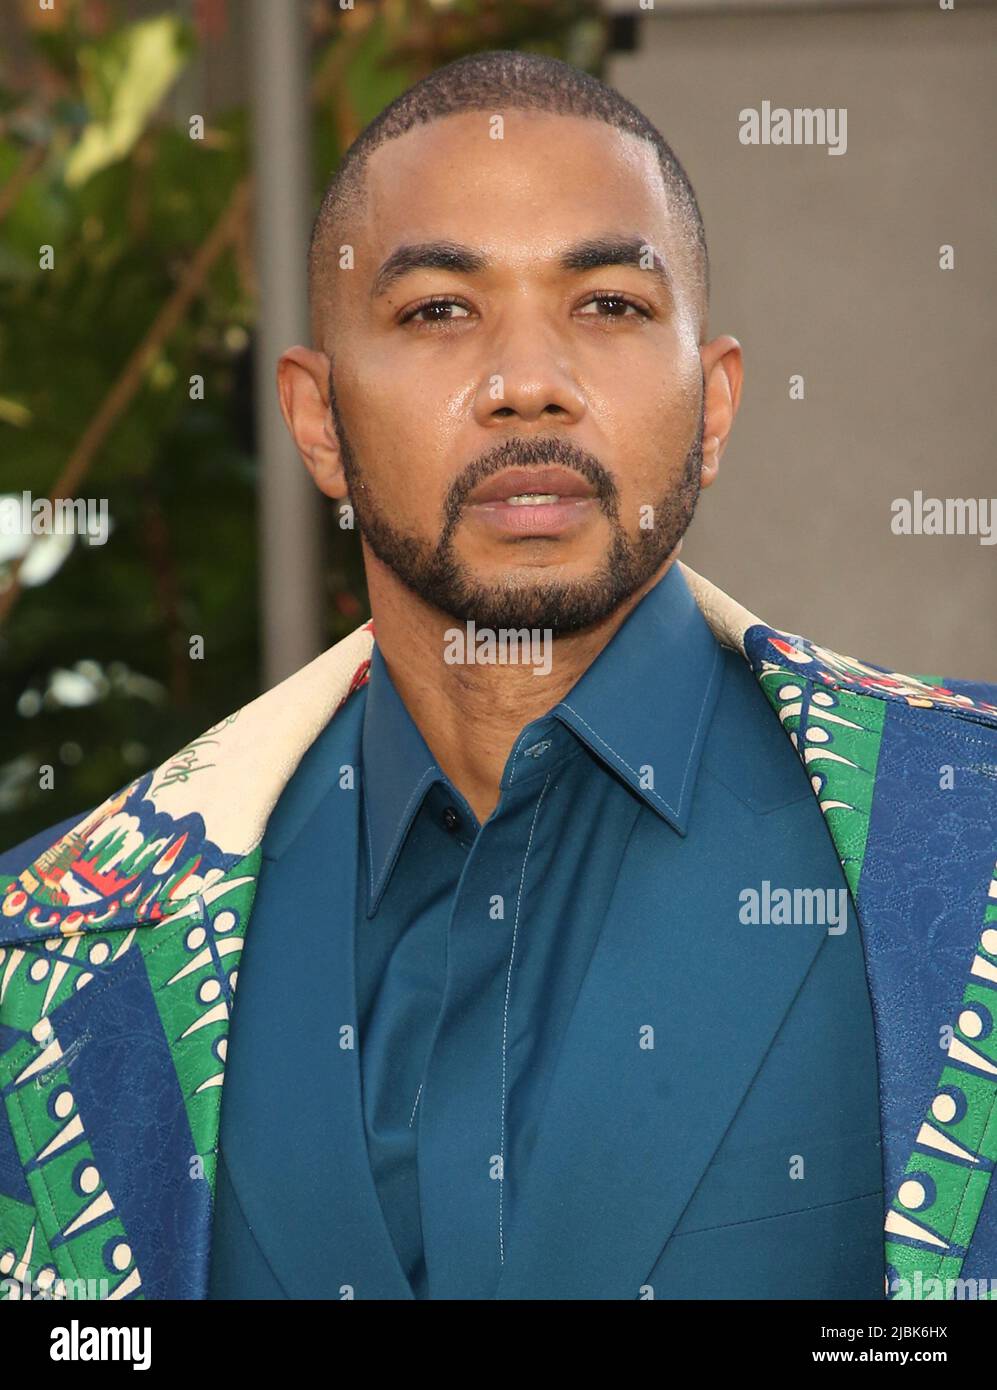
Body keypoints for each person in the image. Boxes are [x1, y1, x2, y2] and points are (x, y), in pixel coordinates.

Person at [2, 50, 996, 1303]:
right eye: (438, 311)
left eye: (609, 306)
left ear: (714, 405)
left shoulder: (964, 842)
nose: (529, 381)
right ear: (317, 424)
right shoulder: (61, 959)